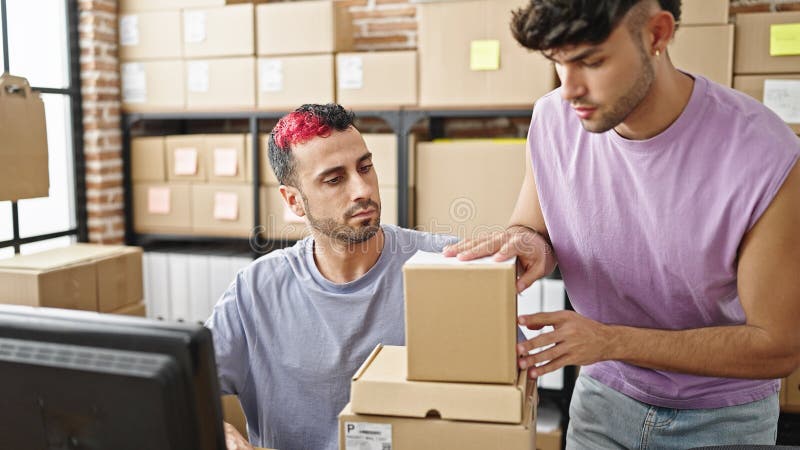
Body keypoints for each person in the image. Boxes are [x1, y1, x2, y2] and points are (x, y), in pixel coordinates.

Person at [445, 0, 800, 448]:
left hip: (722, 415)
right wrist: (526, 242)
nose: (569, 88)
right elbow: (531, 226)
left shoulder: (765, 153)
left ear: (656, 34)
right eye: (557, 62)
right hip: (602, 402)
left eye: (591, 62)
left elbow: (777, 347)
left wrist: (611, 341)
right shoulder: (553, 118)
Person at [206, 104, 455, 450]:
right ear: (294, 201)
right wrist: (218, 434)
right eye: (335, 179)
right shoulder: (256, 291)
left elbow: (511, 389)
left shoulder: (446, 266)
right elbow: (183, 392)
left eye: (365, 168)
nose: (362, 190)